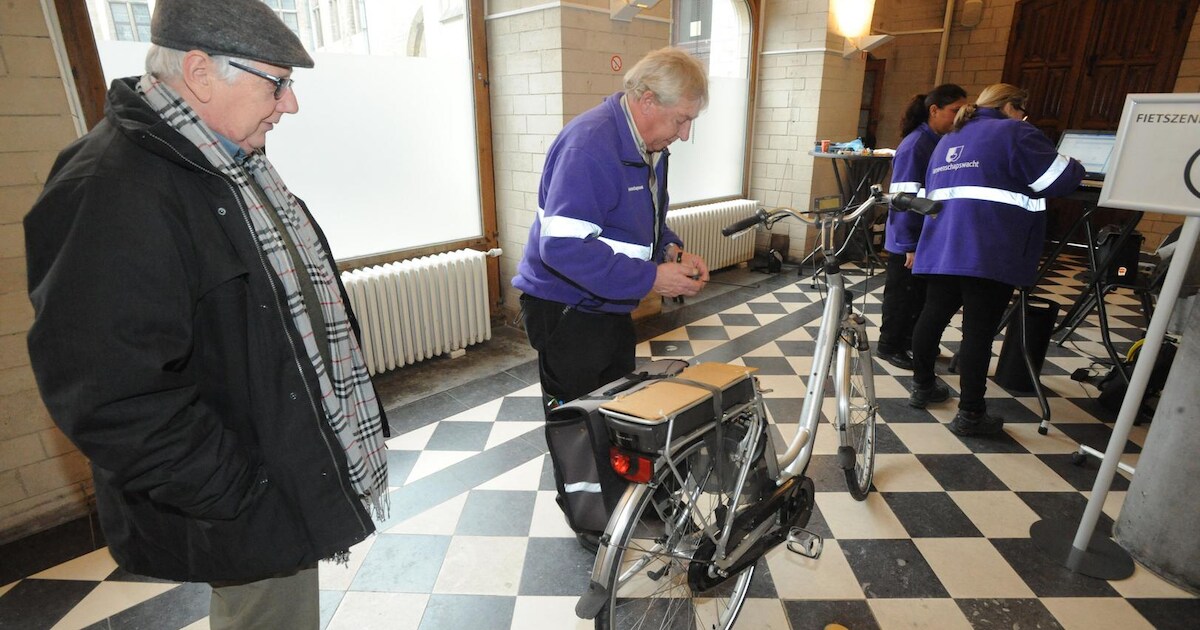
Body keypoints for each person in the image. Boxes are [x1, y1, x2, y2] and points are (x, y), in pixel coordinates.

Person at [23, 1, 388, 627]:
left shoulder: (226, 163)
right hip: (248, 488)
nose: (290, 104)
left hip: (280, 461)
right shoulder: (108, 189)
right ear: (199, 72)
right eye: (278, 83)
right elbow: (109, 396)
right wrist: (242, 492)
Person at [513, 47, 710, 548]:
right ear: (645, 99)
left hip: (606, 305)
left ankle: (624, 503)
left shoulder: (647, 144)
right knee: (579, 424)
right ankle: (592, 522)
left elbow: (641, 217)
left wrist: (669, 246)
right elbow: (562, 246)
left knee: (618, 411)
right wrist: (651, 279)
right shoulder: (590, 144)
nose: (685, 134)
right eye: (681, 119)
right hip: (566, 309)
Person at [909, 83, 1085, 435]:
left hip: (942, 244)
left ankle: (923, 387)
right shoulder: (1016, 131)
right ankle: (971, 414)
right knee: (978, 332)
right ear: (1011, 107)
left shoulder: (949, 138)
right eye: (1023, 111)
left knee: (932, 316)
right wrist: (1077, 165)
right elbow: (1060, 178)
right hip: (988, 248)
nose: (1024, 117)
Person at [877, 84, 968, 370]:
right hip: (908, 239)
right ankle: (890, 346)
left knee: (917, 295)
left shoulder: (938, 140)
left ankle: (909, 341)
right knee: (902, 296)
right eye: (955, 111)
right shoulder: (917, 144)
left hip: (924, 235)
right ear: (934, 110)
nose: (959, 118)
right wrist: (908, 245)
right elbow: (903, 200)